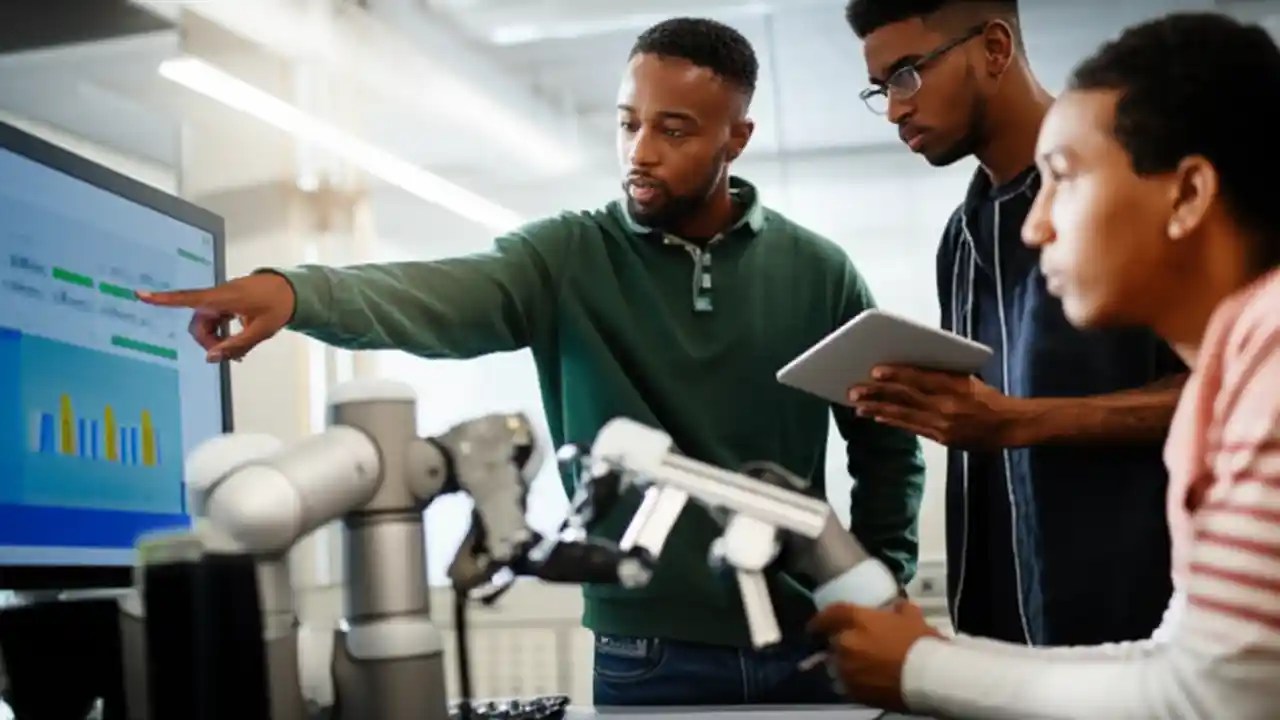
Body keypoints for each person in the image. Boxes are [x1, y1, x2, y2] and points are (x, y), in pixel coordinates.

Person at [140, 17, 927, 707]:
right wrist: (294, 292)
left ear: (736, 138)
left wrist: (876, 586)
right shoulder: (568, 256)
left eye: (674, 130)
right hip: (647, 654)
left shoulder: (818, 272)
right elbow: (438, 295)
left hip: (812, 641)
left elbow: (886, 443)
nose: (640, 152)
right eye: (628, 124)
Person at [810, 12, 1280, 718]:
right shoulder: (1230, 384)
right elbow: (1183, 659)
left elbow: (1213, 693)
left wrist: (922, 668)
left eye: (1064, 177)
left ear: (1187, 195)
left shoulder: (1267, 364)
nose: (1037, 226)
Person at [842, 0, 1187, 648]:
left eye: (907, 74)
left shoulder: (1140, 188)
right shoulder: (959, 239)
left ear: (995, 48)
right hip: (999, 644)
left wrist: (1023, 422)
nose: (894, 109)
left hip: (1144, 641)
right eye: (881, 88)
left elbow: (1243, 391)